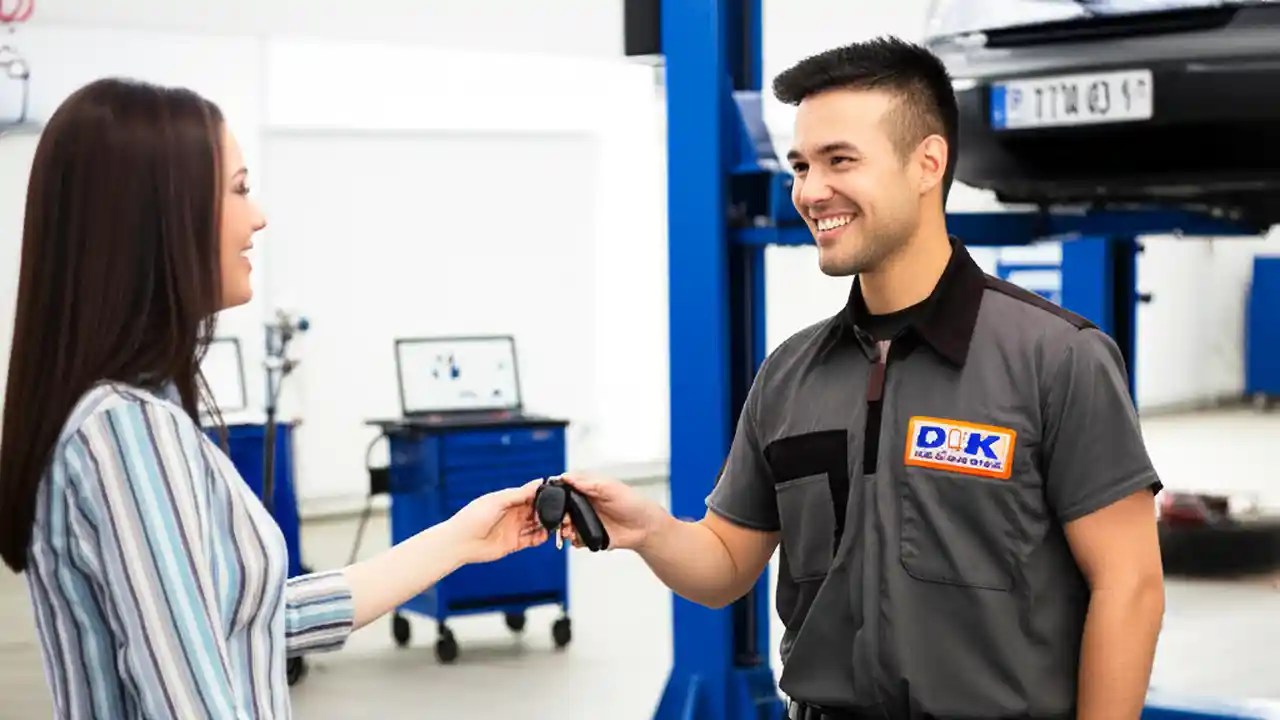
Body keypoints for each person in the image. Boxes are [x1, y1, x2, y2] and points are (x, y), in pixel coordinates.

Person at [556, 37, 1166, 720]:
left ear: (926, 164)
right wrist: (646, 528)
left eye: (840, 160)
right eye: (800, 165)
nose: (811, 191)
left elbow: (1130, 584)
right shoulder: (791, 375)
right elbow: (726, 563)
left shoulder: (1056, 359)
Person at [0, 77, 549, 718]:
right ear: (158, 218)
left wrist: (458, 539)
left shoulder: (115, 418)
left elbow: (249, 625)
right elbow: (195, 703)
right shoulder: (129, 433)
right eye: (237, 189)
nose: (258, 216)